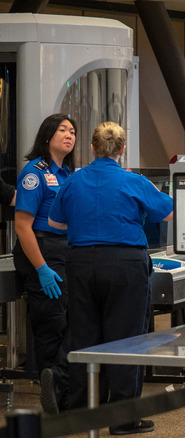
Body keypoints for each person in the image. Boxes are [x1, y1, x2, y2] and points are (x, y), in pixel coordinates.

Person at [48, 121, 172, 435]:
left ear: (91, 148)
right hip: (126, 264)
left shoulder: (74, 182)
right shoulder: (133, 180)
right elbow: (168, 212)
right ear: (121, 150)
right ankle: (123, 419)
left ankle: (81, 412)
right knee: (127, 340)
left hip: (81, 263)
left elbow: (54, 221)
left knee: (84, 338)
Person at [13, 113, 75, 415]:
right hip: (40, 248)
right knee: (51, 319)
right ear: (47, 136)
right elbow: (23, 225)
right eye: (63, 130)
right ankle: (52, 387)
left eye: (73, 131)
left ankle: (61, 385)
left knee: (69, 318)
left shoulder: (68, 175)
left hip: (64, 250)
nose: (69, 135)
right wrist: (40, 268)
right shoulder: (34, 173)